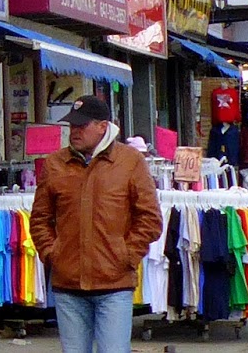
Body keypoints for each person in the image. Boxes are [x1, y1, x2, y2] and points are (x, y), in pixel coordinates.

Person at [30, 95, 163, 353]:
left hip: (114, 284)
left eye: (82, 126)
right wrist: (52, 254)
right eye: (72, 126)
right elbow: (40, 219)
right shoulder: (55, 164)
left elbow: (149, 218)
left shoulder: (130, 161)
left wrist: (126, 255)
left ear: (103, 126)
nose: (75, 132)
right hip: (68, 284)